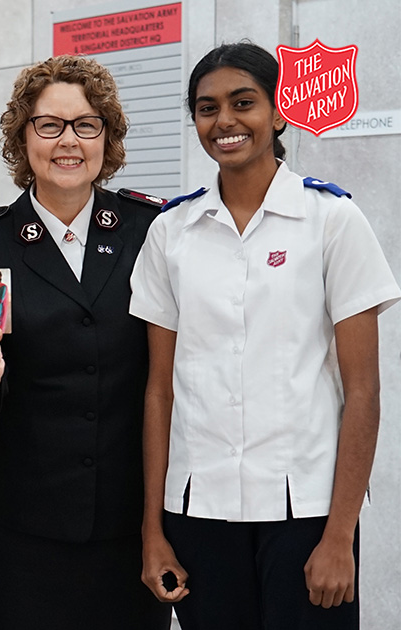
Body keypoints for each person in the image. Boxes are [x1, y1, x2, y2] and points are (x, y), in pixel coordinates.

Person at [130, 42, 400, 629]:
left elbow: (364, 392)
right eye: (206, 108)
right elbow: (159, 391)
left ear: (278, 112)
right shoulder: (170, 233)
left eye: (243, 102)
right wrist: (153, 529)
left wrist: (340, 536)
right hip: (197, 512)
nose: (224, 121)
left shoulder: (332, 221)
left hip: (305, 514)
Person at [0, 55, 171, 629]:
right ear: (24, 136)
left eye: (86, 125)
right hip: (19, 517)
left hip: (131, 515)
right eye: (49, 125)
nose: (68, 141)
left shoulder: (152, 230)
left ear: (107, 137)